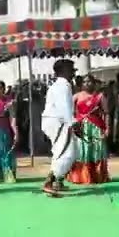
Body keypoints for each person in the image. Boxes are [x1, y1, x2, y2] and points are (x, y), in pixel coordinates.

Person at [40, 60, 78, 197]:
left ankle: (58, 182)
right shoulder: (64, 85)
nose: (74, 72)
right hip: (60, 122)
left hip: (55, 121)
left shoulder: (57, 85)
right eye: (72, 69)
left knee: (62, 151)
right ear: (64, 71)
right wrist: (73, 123)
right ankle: (49, 182)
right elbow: (65, 108)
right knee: (66, 153)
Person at [68, 77, 110, 185]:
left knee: (97, 150)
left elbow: (106, 113)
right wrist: (73, 126)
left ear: (94, 83)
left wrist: (107, 128)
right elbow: (71, 114)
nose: (87, 83)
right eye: (85, 81)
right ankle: (80, 176)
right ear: (82, 84)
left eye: (89, 81)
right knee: (82, 150)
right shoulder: (76, 96)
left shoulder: (100, 97)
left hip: (96, 127)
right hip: (81, 127)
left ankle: (97, 175)